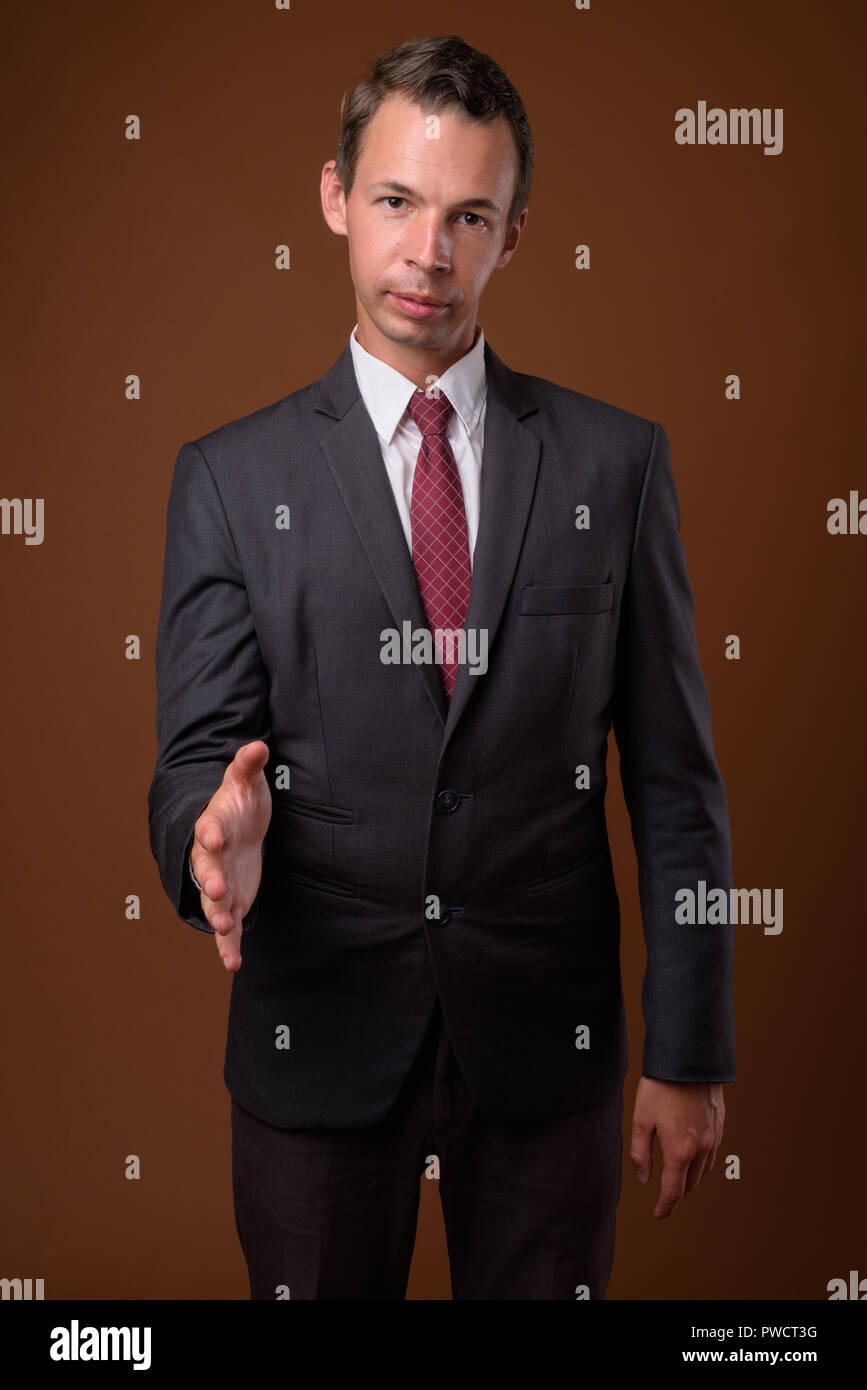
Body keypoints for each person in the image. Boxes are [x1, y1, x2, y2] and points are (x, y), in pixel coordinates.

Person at [147, 33, 735, 1300]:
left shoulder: (614, 467)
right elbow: (198, 756)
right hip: (317, 1041)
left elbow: (678, 785)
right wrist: (215, 835)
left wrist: (689, 1049)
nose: (429, 252)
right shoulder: (230, 479)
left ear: (515, 234)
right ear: (335, 199)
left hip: (546, 1057)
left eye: (472, 215)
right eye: (399, 202)